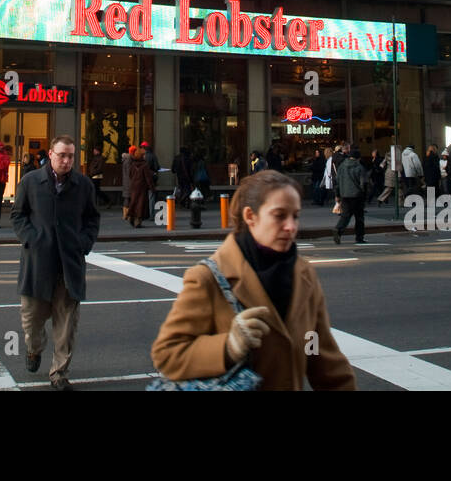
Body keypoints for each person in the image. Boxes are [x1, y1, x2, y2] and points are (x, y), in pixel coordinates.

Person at [151, 170, 355, 391]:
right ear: (250, 216)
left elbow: (317, 352)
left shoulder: (303, 275)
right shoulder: (207, 278)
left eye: (295, 216)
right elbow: (168, 354)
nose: (291, 226)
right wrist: (228, 347)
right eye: (279, 215)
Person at [11, 134, 101, 390]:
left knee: (66, 326)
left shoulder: (83, 185)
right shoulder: (30, 181)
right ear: (50, 154)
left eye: (71, 155)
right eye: (62, 155)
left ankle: (59, 373)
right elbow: (18, 215)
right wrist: (31, 239)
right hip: (38, 264)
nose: (66, 160)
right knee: (32, 320)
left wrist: (83, 243)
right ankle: (33, 349)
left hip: (69, 264)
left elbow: (92, 219)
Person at [332, 147, 367, 245]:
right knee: (359, 217)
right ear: (358, 157)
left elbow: (337, 182)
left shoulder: (342, 166)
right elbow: (363, 183)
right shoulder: (359, 167)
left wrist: (337, 195)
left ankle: (338, 229)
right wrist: (365, 196)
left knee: (345, 216)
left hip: (344, 194)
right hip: (357, 195)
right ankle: (359, 237)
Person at [125, 146, 154, 228]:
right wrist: (152, 188)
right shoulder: (144, 165)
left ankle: (131, 216)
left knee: (134, 202)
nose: (145, 156)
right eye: (144, 154)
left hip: (134, 186)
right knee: (141, 204)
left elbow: (130, 175)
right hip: (142, 187)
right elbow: (148, 178)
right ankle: (138, 221)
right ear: (141, 155)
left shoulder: (132, 164)